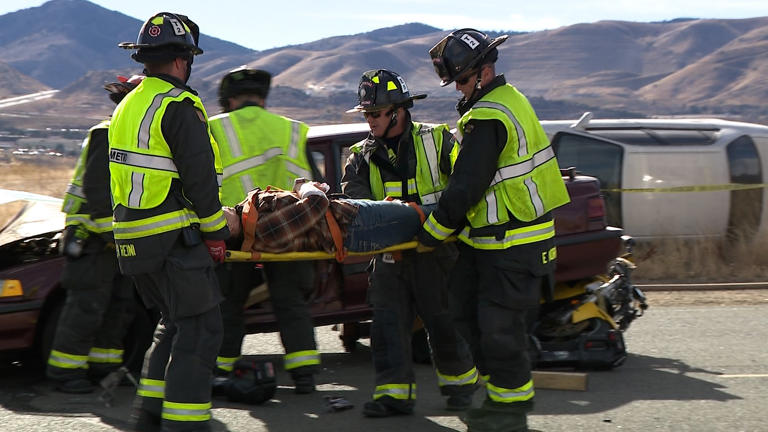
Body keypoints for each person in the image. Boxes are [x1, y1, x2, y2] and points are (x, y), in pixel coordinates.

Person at [420, 29, 571, 432]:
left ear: (483, 73)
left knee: (499, 331)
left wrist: (432, 233)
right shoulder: (498, 105)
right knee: (465, 314)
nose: (459, 90)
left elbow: (466, 186)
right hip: (488, 242)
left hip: (514, 244)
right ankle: (497, 400)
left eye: (463, 81)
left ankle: (509, 412)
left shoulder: (491, 115)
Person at [109, 12, 229, 432]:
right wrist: (216, 234)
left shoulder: (129, 103)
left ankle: (149, 416)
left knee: (173, 325)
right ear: (183, 60)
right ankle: (186, 425)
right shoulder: (179, 104)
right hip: (171, 239)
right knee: (202, 328)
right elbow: (199, 180)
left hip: (133, 241)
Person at [340, 69, 479, 417]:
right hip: (389, 258)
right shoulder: (359, 155)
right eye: (367, 114)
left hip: (436, 250)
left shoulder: (438, 140)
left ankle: (460, 388)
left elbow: (463, 187)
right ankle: (393, 395)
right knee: (387, 325)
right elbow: (353, 202)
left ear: (398, 110)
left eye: (374, 114)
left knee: (444, 321)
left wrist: (434, 222)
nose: (369, 121)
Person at [208, 67, 321, 393]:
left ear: (229, 100)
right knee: (291, 301)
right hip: (287, 227)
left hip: (235, 231)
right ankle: (305, 375)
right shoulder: (292, 130)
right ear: (262, 99)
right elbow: (315, 185)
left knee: (228, 303)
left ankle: (222, 370)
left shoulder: (214, 129)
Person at [46, 75, 143, 394]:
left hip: (116, 241)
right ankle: (65, 372)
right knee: (86, 308)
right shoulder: (107, 132)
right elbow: (99, 193)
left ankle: (104, 366)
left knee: (119, 306)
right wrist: (115, 236)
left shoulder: (132, 135)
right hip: (94, 240)